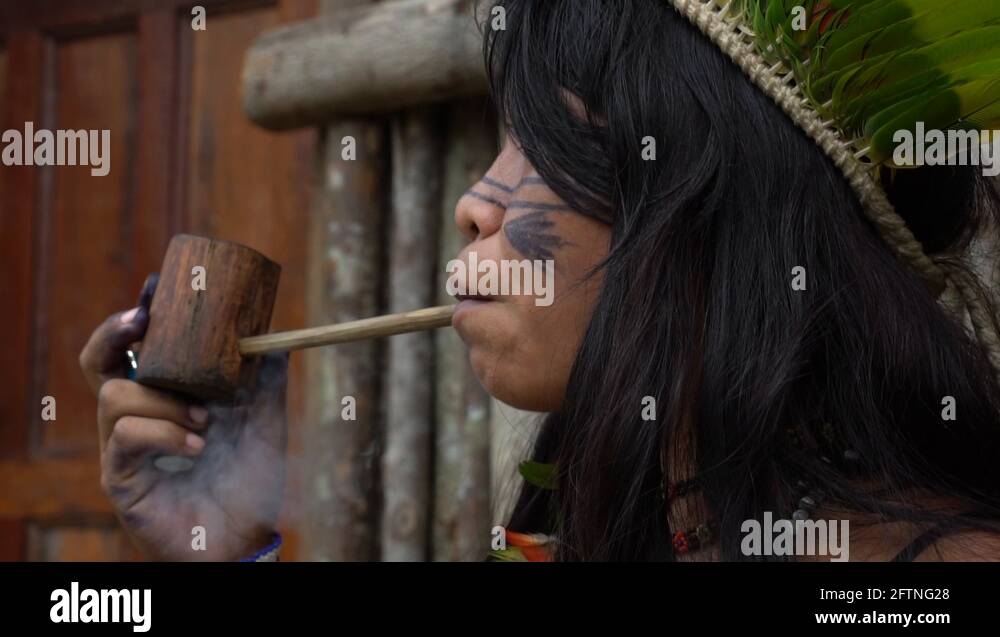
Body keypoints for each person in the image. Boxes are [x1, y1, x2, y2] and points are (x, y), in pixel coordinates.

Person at [80, 0, 1000, 561]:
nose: (474, 205)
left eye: (549, 142)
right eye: (505, 137)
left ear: (726, 212)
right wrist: (218, 539)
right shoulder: (598, 528)